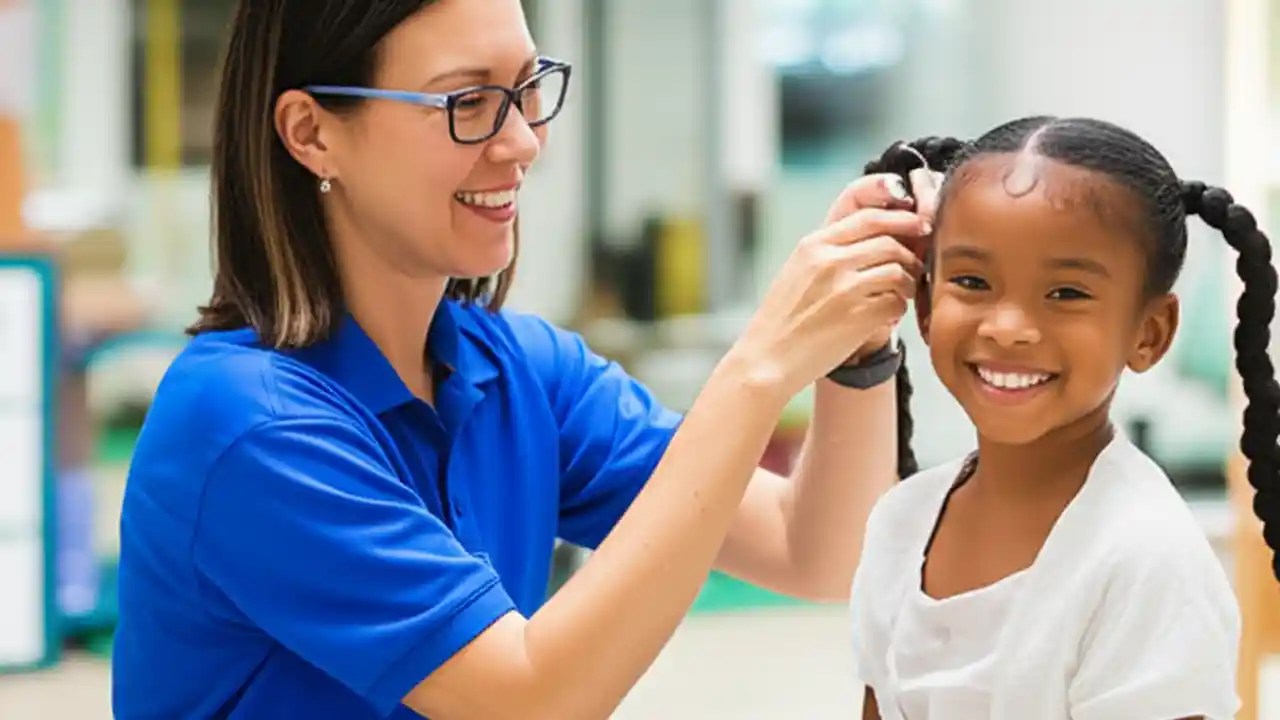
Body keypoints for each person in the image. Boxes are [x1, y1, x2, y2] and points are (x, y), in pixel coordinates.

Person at [110, 1, 934, 718]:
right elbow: (529, 698)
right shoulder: (250, 424)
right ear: (311, 133)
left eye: (526, 92)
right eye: (467, 102)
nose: (520, 143)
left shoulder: (517, 373)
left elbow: (815, 551)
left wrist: (856, 346)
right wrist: (761, 366)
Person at [849, 119, 1276, 719]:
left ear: (1149, 333)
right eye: (972, 282)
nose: (1008, 327)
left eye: (1066, 293)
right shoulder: (901, 521)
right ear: (924, 306)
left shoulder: (1143, 558)